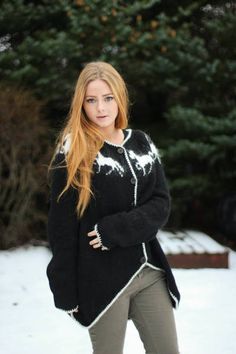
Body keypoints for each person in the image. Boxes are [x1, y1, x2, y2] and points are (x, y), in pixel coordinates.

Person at [46, 61, 180, 354]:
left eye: (108, 98)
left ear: (119, 97)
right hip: (102, 280)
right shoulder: (72, 152)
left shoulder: (141, 143)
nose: (101, 108)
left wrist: (114, 230)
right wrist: (65, 290)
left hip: (149, 271)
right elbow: (61, 228)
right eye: (91, 100)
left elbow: (160, 203)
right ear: (81, 105)